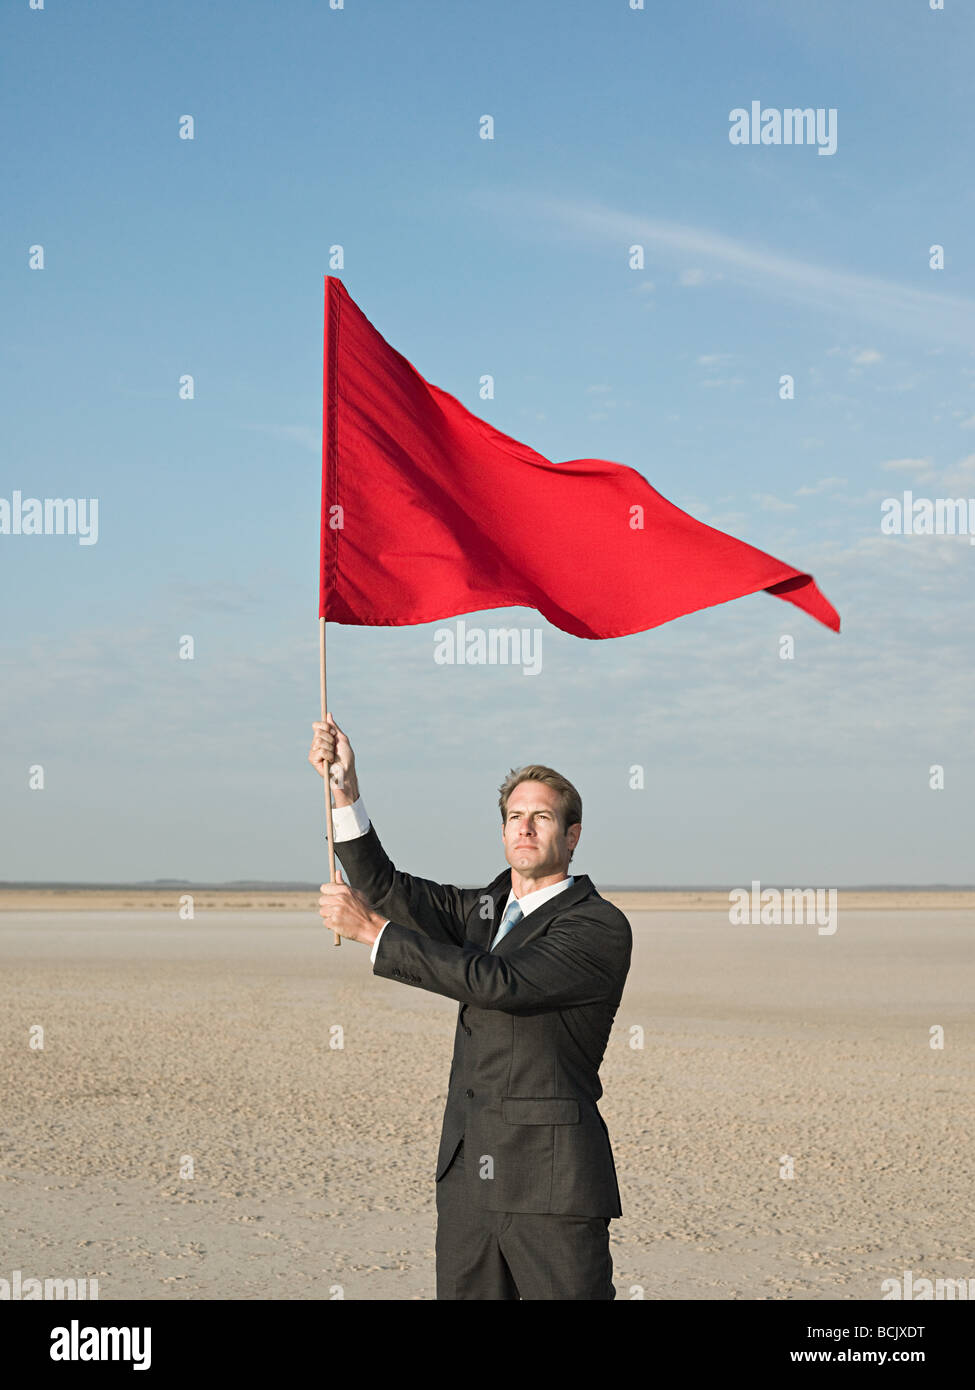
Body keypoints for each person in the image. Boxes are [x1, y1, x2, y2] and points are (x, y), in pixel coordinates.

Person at [308, 714, 632, 1300]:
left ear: (573, 834)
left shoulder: (597, 926)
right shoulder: (483, 910)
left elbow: (498, 981)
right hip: (469, 1187)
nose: (525, 829)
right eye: (515, 817)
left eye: (542, 817)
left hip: (550, 1188)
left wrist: (373, 934)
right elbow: (387, 888)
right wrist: (345, 790)